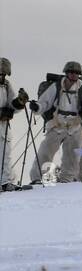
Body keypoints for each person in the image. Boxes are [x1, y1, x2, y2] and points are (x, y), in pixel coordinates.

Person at [30, 61, 82, 184]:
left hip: (75, 126)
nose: (73, 75)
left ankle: (67, 180)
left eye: (76, 73)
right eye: (71, 72)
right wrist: (37, 107)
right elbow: (45, 102)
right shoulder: (56, 87)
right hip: (57, 123)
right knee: (45, 152)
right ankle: (39, 179)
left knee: (72, 156)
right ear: (66, 73)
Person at [0, 57, 30, 191]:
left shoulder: (6, 85)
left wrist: (19, 101)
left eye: (3, 74)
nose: (1, 76)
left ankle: (4, 182)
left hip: (3, 127)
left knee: (4, 154)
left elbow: (12, 105)